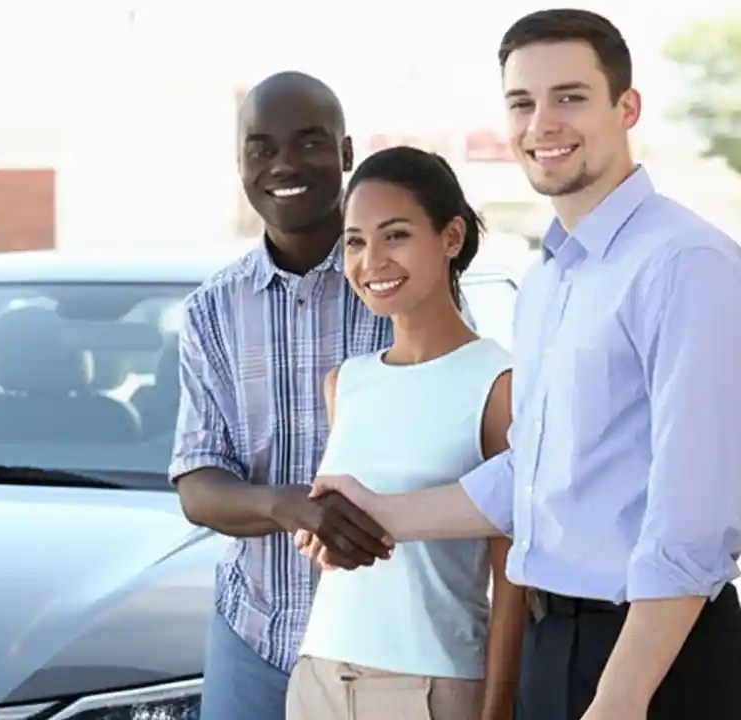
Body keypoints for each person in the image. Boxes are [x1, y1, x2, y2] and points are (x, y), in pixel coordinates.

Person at [304, 9, 741, 720]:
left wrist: (622, 696)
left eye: (569, 97)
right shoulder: (548, 281)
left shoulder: (686, 264)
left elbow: (694, 519)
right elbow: (529, 475)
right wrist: (381, 511)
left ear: (626, 107)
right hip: (554, 646)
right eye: (522, 102)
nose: (543, 123)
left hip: (649, 657)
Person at [169, 71, 396, 720]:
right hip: (254, 638)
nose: (285, 165)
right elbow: (196, 484)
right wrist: (287, 507)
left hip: (387, 645)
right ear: (240, 163)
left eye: (309, 143)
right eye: (261, 148)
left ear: (347, 154)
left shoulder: (401, 290)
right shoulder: (212, 310)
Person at [286, 146, 527, 720]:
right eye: (355, 241)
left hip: (430, 686)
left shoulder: (500, 383)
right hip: (318, 676)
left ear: (450, 237)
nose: (371, 261)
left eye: (395, 235)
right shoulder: (346, 383)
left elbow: (513, 580)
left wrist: (496, 711)